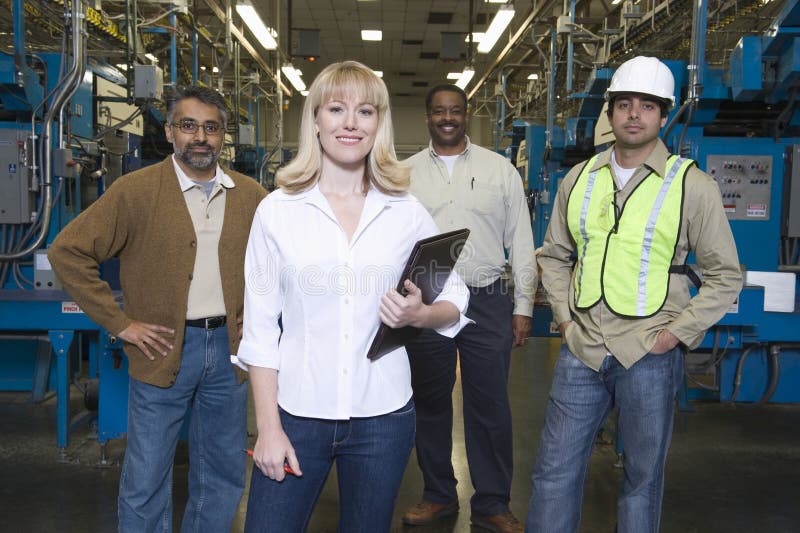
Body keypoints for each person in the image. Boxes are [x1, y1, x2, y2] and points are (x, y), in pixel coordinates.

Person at [235, 61, 471, 533]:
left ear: (378, 125)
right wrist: (269, 428)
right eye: (337, 109)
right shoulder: (278, 212)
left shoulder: (404, 211)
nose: (350, 123)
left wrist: (422, 313)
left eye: (365, 111)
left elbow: (457, 293)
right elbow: (260, 330)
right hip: (298, 414)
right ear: (316, 120)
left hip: (383, 417)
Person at [526, 56, 742, 532]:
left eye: (647, 106)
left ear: (663, 116)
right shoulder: (578, 179)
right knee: (554, 473)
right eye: (624, 104)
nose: (633, 114)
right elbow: (554, 255)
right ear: (610, 112)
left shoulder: (692, 185)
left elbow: (725, 276)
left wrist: (675, 335)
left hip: (649, 352)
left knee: (642, 478)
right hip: (582, 349)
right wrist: (564, 318)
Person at [48, 85, 266, 532]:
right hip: (161, 350)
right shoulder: (136, 192)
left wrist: (259, 323)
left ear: (225, 136)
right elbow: (67, 251)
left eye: (211, 127)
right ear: (169, 132)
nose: (199, 137)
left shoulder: (251, 197)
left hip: (231, 354)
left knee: (223, 473)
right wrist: (120, 323)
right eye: (188, 125)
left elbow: (278, 269)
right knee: (146, 476)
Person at [401, 84, 536, 533]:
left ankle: (493, 502)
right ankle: (438, 494)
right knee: (430, 402)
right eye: (438, 111)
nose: (447, 118)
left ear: (466, 115)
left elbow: (520, 240)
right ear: (427, 117)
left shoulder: (500, 171)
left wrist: (523, 306)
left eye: (455, 111)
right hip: (428, 299)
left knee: (490, 405)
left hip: (488, 298)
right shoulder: (404, 174)